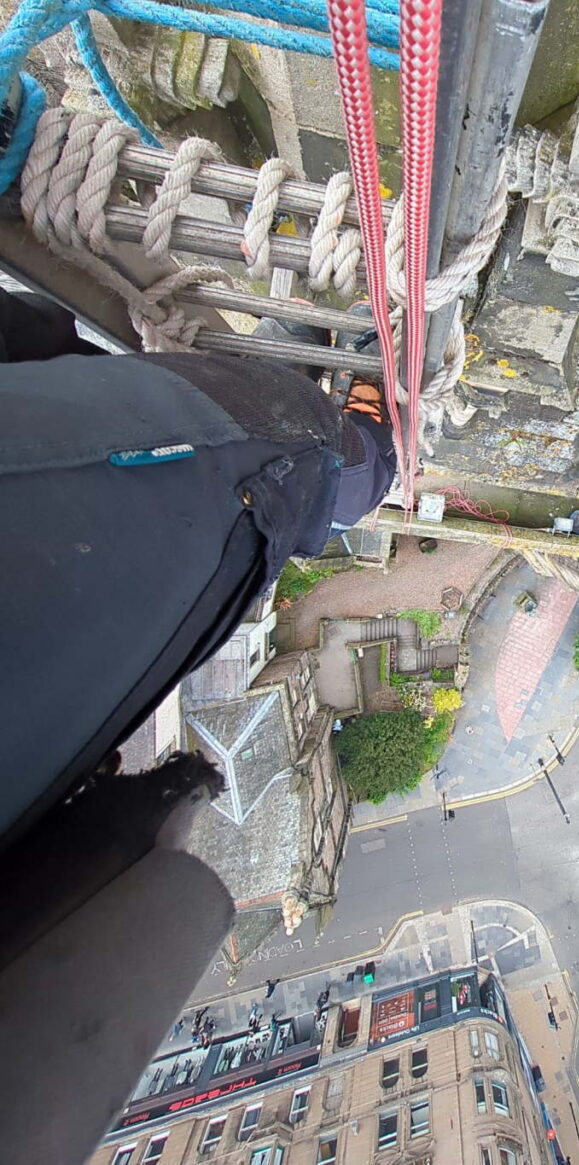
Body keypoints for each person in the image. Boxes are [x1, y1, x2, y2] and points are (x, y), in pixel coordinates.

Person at [0, 287, 398, 1165]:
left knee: (303, 458)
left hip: (117, 509)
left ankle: (368, 430)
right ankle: (322, 342)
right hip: (68, 458)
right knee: (251, 417)